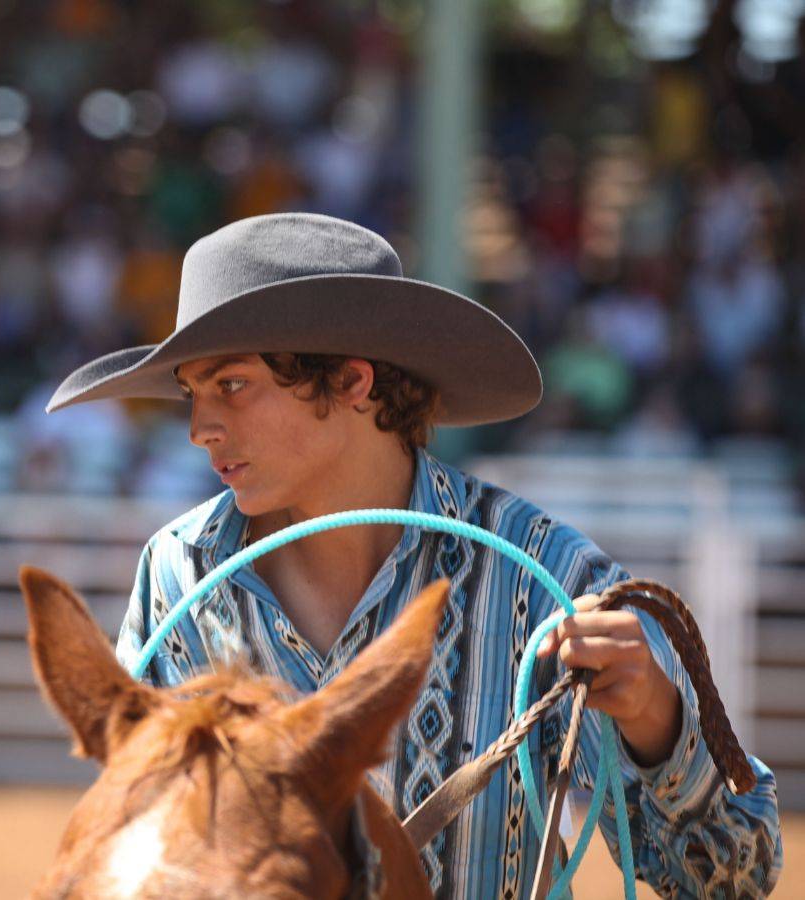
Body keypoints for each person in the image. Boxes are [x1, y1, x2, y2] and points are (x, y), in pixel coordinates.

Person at [44, 213, 781, 898]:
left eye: (232, 385)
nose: (200, 427)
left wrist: (654, 719)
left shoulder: (542, 577)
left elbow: (737, 874)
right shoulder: (178, 574)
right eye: (192, 393)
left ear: (353, 382)